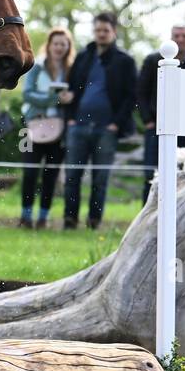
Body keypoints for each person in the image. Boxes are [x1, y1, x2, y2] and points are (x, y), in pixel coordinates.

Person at [63, 12, 137, 230]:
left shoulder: (125, 61)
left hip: (106, 128)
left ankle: (94, 221)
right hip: (78, 126)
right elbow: (71, 88)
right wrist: (70, 118)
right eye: (97, 30)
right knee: (72, 175)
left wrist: (116, 123)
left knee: (100, 178)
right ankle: (69, 220)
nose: (101, 34)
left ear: (114, 32)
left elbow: (131, 97)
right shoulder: (83, 57)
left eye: (105, 30)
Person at [137, 24, 185, 203]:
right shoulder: (153, 61)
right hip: (156, 126)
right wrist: (147, 120)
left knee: (181, 172)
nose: (180, 39)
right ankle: (147, 215)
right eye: (176, 36)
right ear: (170, 38)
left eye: (184, 36)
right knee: (152, 172)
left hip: (183, 129)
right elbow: (140, 92)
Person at [19, 27, 74, 228]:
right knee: (30, 172)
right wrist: (55, 99)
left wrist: (68, 99)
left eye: (63, 44)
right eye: (56, 43)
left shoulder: (71, 70)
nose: (59, 47)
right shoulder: (36, 67)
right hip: (29, 126)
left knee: (51, 174)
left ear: (68, 47)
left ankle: (43, 217)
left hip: (59, 129)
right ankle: (25, 216)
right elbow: (27, 94)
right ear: (49, 45)